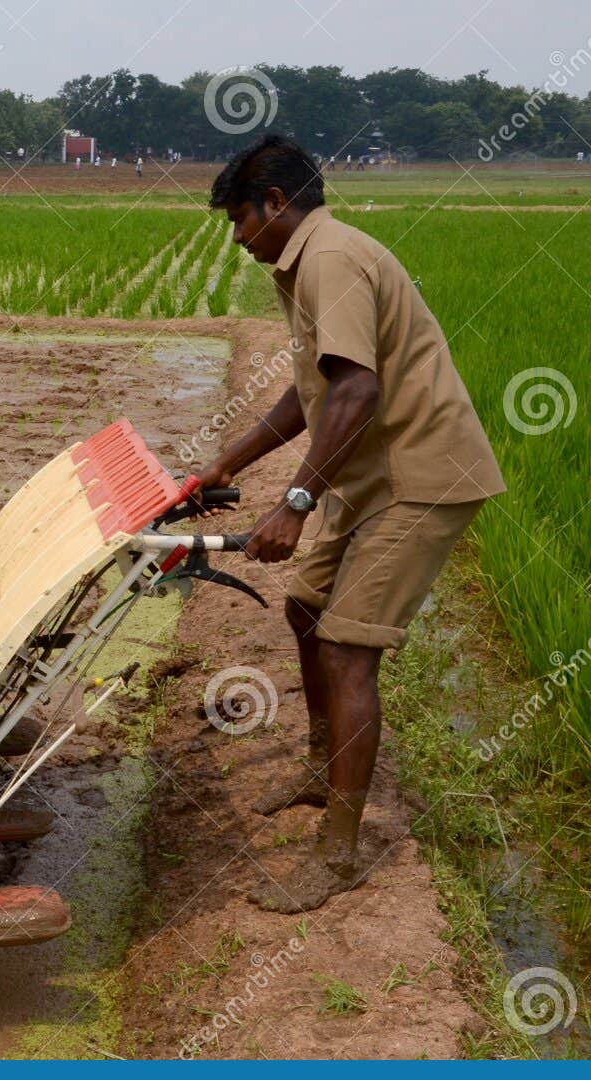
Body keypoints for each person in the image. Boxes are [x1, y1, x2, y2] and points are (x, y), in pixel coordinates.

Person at [197, 135, 504, 912]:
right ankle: (317, 764)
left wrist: (294, 503)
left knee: (345, 647)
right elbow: (313, 392)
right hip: (372, 472)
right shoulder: (303, 263)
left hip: (420, 474)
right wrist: (226, 465)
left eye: (240, 220)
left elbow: (357, 393)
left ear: (276, 205)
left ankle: (339, 852)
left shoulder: (330, 258)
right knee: (305, 606)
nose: (236, 239)